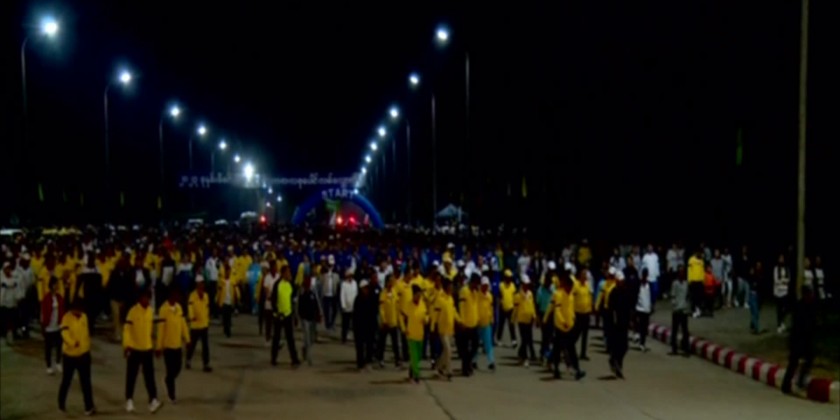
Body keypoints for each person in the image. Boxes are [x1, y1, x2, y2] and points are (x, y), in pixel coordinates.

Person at [123, 290, 162, 413]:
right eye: (144, 298)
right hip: (134, 349)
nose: (146, 301)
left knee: (150, 376)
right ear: (140, 299)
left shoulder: (150, 312)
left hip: (147, 349)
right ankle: (129, 400)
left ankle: (153, 399)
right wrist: (126, 345)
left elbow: (154, 331)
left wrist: (157, 346)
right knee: (131, 376)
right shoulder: (133, 312)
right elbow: (127, 330)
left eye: (148, 298)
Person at [57, 300, 95, 415]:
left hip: (83, 355)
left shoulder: (84, 317)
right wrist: (73, 343)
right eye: (77, 310)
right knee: (66, 381)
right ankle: (61, 403)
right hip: (70, 356)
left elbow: (86, 333)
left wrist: (86, 346)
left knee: (86, 382)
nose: (79, 312)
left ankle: (89, 406)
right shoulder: (66, 318)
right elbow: (64, 334)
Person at [544, 274, 585, 380]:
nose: (570, 289)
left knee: (572, 349)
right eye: (569, 286)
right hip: (560, 327)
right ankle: (556, 369)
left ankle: (577, 370)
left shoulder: (570, 295)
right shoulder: (558, 295)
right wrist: (562, 322)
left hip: (569, 326)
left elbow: (571, 309)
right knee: (557, 349)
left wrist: (573, 318)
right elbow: (557, 311)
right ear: (565, 285)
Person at [156, 289, 189, 404]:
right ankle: (172, 395)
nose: (177, 298)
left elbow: (183, 323)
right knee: (170, 370)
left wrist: (187, 338)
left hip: (177, 345)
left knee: (178, 367)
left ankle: (168, 380)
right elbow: (160, 329)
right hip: (168, 346)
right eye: (175, 295)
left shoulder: (179, 308)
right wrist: (158, 347)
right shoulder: (163, 310)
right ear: (170, 296)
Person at [781, 286, 817, 394]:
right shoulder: (801, 306)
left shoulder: (808, 305)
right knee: (793, 363)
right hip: (798, 339)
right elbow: (802, 324)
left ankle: (797, 381)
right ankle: (787, 385)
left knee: (806, 359)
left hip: (804, 339)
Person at [270, 266, 300, 366]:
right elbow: (273, 299)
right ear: (282, 274)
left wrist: (294, 315)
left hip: (288, 314)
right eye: (287, 273)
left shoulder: (291, 284)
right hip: (279, 315)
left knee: (290, 338)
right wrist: (275, 312)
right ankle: (273, 358)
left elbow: (295, 296)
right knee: (276, 338)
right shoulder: (277, 284)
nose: (288, 275)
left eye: (289, 273)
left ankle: (294, 358)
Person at [431, 280, 459, 380]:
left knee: (445, 352)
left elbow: (454, 311)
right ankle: (449, 371)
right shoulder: (440, 298)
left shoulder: (451, 299)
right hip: (442, 329)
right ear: (446, 287)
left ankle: (438, 367)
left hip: (450, 329)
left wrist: (459, 320)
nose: (451, 288)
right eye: (450, 286)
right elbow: (435, 314)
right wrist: (432, 326)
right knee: (448, 350)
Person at [607, 273, 633, 379]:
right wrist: (613, 321)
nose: (622, 283)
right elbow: (611, 309)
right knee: (617, 345)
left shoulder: (626, 292)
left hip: (625, 322)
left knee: (625, 346)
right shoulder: (613, 293)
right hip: (616, 323)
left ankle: (616, 361)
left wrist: (631, 320)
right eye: (620, 281)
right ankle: (615, 363)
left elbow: (629, 307)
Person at [456, 274, 480, 376]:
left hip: (474, 323)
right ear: (472, 282)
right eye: (476, 284)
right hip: (465, 325)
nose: (477, 286)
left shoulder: (475, 292)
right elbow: (461, 307)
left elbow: (476, 306)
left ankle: (468, 363)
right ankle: (465, 368)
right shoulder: (464, 291)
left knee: (475, 346)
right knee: (465, 349)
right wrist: (462, 321)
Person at [186, 279, 212, 372]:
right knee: (192, 345)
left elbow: (207, 308)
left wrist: (207, 319)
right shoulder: (192, 296)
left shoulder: (206, 296)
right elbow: (190, 307)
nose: (201, 287)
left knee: (205, 346)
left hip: (204, 324)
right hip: (195, 325)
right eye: (200, 285)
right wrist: (192, 316)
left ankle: (206, 364)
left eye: (203, 285)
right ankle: (188, 360)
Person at [404, 284, 428, 383]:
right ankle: (416, 375)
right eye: (417, 295)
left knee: (418, 356)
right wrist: (404, 328)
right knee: (414, 355)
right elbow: (403, 318)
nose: (419, 297)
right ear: (413, 295)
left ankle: (412, 368)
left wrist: (426, 320)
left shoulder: (422, 304)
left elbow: (426, 315)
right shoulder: (408, 305)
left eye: (420, 295)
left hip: (420, 334)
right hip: (411, 334)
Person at [41, 276, 65, 375]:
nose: (56, 286)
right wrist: (43, 325)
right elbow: (43, 313)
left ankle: (58, 362)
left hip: (57, 325)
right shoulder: (46, 298)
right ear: (51, 285)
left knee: (59, 345)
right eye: (55, 284)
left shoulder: (59, 297)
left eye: (57, 284)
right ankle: (49, 366)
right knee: (48, 347)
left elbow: (63, 310)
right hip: (49, 326)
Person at [298, 273, 322, 366]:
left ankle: (304, 349)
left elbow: (317, 304)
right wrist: (299, 316)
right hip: (305, 319)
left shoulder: (312, 293)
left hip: (312, 319)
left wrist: (319, 315)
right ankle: (309, 358)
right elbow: (298, 306)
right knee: (307, 338)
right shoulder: (301, 293)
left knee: (312, 338)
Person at [353, 280, 378, 370]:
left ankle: (368, 361)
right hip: (360, 326)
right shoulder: (358, 299)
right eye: (364, 288)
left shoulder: (371, 298)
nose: (366, 290)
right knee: (360, 346)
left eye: (367, 288)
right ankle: (360, 363)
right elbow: (356, 315)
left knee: (369, 345)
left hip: (370, 325)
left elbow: (374, 311)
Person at [377, 274, 401, 367]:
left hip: (393, 322)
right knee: (382, 342)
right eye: (390, 281)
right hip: (385, 323)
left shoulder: (394, 292)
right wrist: (383, 320)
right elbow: (381, 308)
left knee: (395, 343)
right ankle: (381, 359)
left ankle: (397, 360)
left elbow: (397, 306)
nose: (392, 282)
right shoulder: (383, 293)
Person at [513, 275, 537, 366]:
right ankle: (525, 357)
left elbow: (532, 306)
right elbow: (515, 309)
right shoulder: (518, 295)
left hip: (529, 319)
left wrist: (534, 315)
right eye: (525, 284)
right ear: (522, 284)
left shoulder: (530, 294)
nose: (527, 286)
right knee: (524, 339)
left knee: (527, 339)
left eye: (528, 284)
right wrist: (513, 319)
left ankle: (521, 354)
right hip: (521, 320)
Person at [668, 266, 690, 356]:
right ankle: (674, 349)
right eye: (680, 272)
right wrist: (675, 305)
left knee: (685, 331)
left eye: (683, 272)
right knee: (675, 330)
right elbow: (672, 296)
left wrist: (687, 307)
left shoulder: (686, 284)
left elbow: (688, 296)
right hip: (677, 310)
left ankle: (686, 349)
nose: (682, 274)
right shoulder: (675, 283)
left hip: (684, 310)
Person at [475, 276, 496, 371]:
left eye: (486, 285)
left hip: (487, 322)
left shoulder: (489, 296)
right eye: (483, 285)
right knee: (476, 344)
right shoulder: (477, 295)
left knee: (488, 344)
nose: (485, 287)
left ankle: (491, 361)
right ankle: (473, 360)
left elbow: (490, 308)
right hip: (478, 322)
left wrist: (492, 318)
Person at [572, 268, 593, 361]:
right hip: (578, 312)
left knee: (585, 334)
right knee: (576, 333)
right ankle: (570, 350)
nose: (585, 277)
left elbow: (589, 296)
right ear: (580, 276)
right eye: (583, 275)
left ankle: (583, 353)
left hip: (586, 312)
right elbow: (572, 297)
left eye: (586, 275)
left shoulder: (587, 285)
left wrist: (591, 307)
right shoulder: (576, 285)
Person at [536, 268, 555, 363]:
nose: (549, 283)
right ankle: (543, 353)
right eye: (547, 281)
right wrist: (538, 318)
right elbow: (537, 304)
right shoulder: (540, 290)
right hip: (543, 314)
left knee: (550, 336)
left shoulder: (553, 289)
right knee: (545, 336)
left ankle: (546, 353)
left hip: (551, 314)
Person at [216, 261, 240, 338]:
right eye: (227, 272)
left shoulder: (232, 281)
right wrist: (217, 300)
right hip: (223, 301)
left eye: (229, 272)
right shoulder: (221, 282)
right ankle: (226, 328)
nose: (228, 273)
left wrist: (238, 298)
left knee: (229, 317)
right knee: (225, 317)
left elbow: (236, 291)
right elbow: (219, 292)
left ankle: (228, 330)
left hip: (230, 301)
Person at [1, 260, 21, 345]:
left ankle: (11, 336)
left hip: (13, 303)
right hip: (4, 303)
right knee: (5, 321)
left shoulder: (14, 279)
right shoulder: (1, 279)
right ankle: (6, 336)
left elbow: (16, 288)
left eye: (9, 269)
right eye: (6, 269)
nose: (8, 270)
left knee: (12, 321)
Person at [496, 270, 517, 347]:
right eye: (508, 277)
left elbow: (514, 296)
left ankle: (513, 340)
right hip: (503, 307)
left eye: (510, 277)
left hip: (511, 308)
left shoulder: (513, 285)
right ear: (505, 277)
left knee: (511, 325)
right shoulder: (501, 285)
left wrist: (515, 307)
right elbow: (499, 296)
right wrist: (499, 305)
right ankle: (498, 339)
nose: (509, 279)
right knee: (501, 324)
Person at [635, 269, 654, 352]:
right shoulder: (638, 284)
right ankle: (638, 337)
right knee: (639, 325)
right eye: (644, 275)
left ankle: (642, 343)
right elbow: (635, 295)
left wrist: (652, 306)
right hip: (639, 308)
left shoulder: (649, 285)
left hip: (647, 309)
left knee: (644, 328)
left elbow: (651, 296)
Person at [773, 254, 791, 333]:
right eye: (780, 258)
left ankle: (783, 322)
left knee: (785, 308)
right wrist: (783, 281)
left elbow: (788, 279)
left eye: (782, 258)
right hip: (778, 291)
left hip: (785, 291)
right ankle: (779, 324)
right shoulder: (776, 269)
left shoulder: (787, 269)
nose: (781, 260)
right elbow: (776, 280)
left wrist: (784, 281)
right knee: (779, 309)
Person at [339, 268, 358, 344]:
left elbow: (356, 294)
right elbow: (342, 295)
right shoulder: (344, 284)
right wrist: (343, 305)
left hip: (353, 306)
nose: (350, 277)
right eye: (349, 276)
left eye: (351, 276)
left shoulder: (354, 283)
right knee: (345, 324)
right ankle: (344, 338)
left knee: (354, 324)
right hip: (346, 307)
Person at [687, 250, 705, 318]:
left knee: (699, 297)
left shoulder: (702, 261)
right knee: (693, 297)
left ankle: (698, 309)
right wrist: (689, 279)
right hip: (693, 281)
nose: (699, 254)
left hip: (700, 281)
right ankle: (694, 310)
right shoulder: (691, 259)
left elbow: (702, 271)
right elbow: (689, 270)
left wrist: (703, 280)